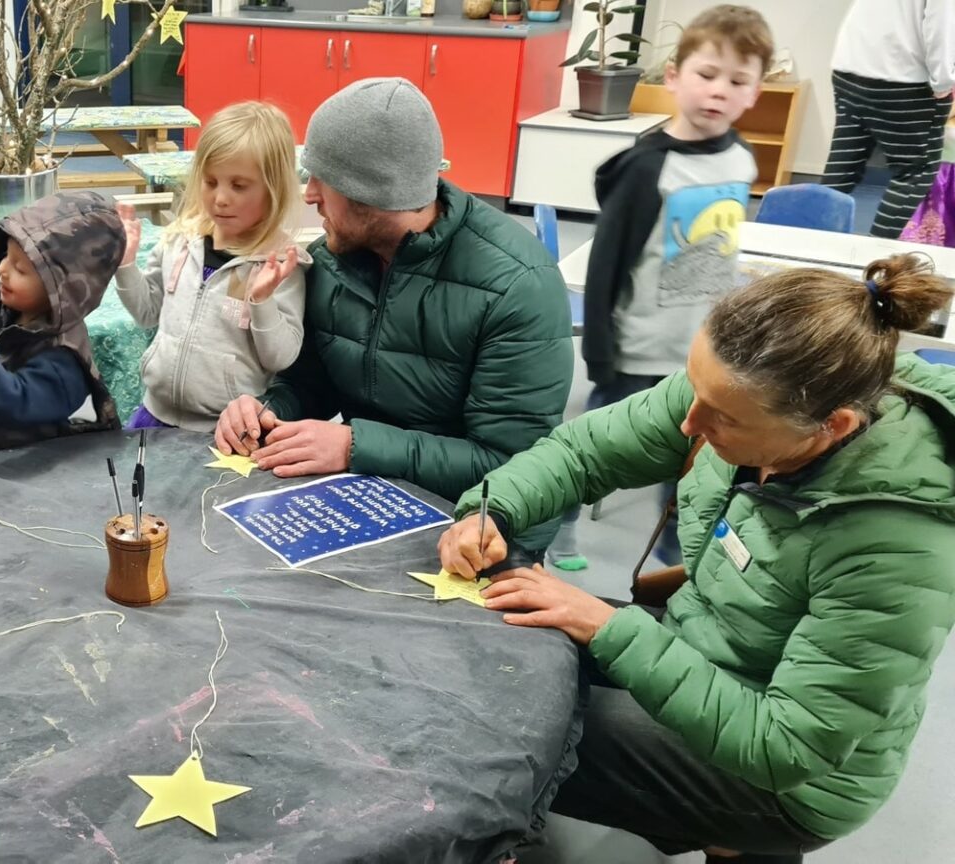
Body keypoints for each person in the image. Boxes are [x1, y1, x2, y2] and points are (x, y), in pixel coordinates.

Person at [438, 255, 955, 862]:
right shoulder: (741, 384)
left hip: (793, 779)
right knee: (498, 638)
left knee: (500, 725)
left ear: (831, 427)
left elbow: (789, 746)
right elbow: (586, 452)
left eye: (722, 419)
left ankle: (742, 834)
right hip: (704, 641)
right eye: (694, 387)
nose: (689, 422)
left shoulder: (897, 546)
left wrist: (607, 628)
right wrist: (495, 510)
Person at [214, 78, 573, 553]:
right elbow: (309, 383)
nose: (309, 194)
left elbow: (510, 463)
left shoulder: (517, 286)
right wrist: (267, 413)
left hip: (482, 533)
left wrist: (353, 446)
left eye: (323, 179)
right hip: (370, 498)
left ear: (372, 192)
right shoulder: (330, 262)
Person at [553, 4, 771, 570]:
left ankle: (677, 557)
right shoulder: (648, 169)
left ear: (754, 93)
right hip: (637, 352)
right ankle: (559, 528)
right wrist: (600, 353)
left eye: (737, 81)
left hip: (704, 351)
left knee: (697, 463)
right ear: (674, 76)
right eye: (707, 74)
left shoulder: (742, 159)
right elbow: (605, 266)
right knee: (597, 448)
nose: (719, 90)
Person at [114, 101, 308, 431]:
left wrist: (262, 301)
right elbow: (146, 312)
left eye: (238, 185)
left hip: (225, 431)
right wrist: (126, 265)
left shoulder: (280, 266)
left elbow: (280, 357)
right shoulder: (179, 239)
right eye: (210, 181)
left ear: (273, 189)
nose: (220, 198)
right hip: (153, 415)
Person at [0, 191, 126, 449]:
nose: (1, 269)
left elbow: (11, 403)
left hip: (37, 467)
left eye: (20, 269)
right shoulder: (9, 311)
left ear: (60, 289)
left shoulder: (63, 364)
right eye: (6, 256)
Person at [824, 0, 955, 239]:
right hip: (903, 81)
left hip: (849, 67)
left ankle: (808, 245)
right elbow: (940, 25)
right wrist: (945, 81)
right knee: (914, 174)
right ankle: (879, 257)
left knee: (843, 166)